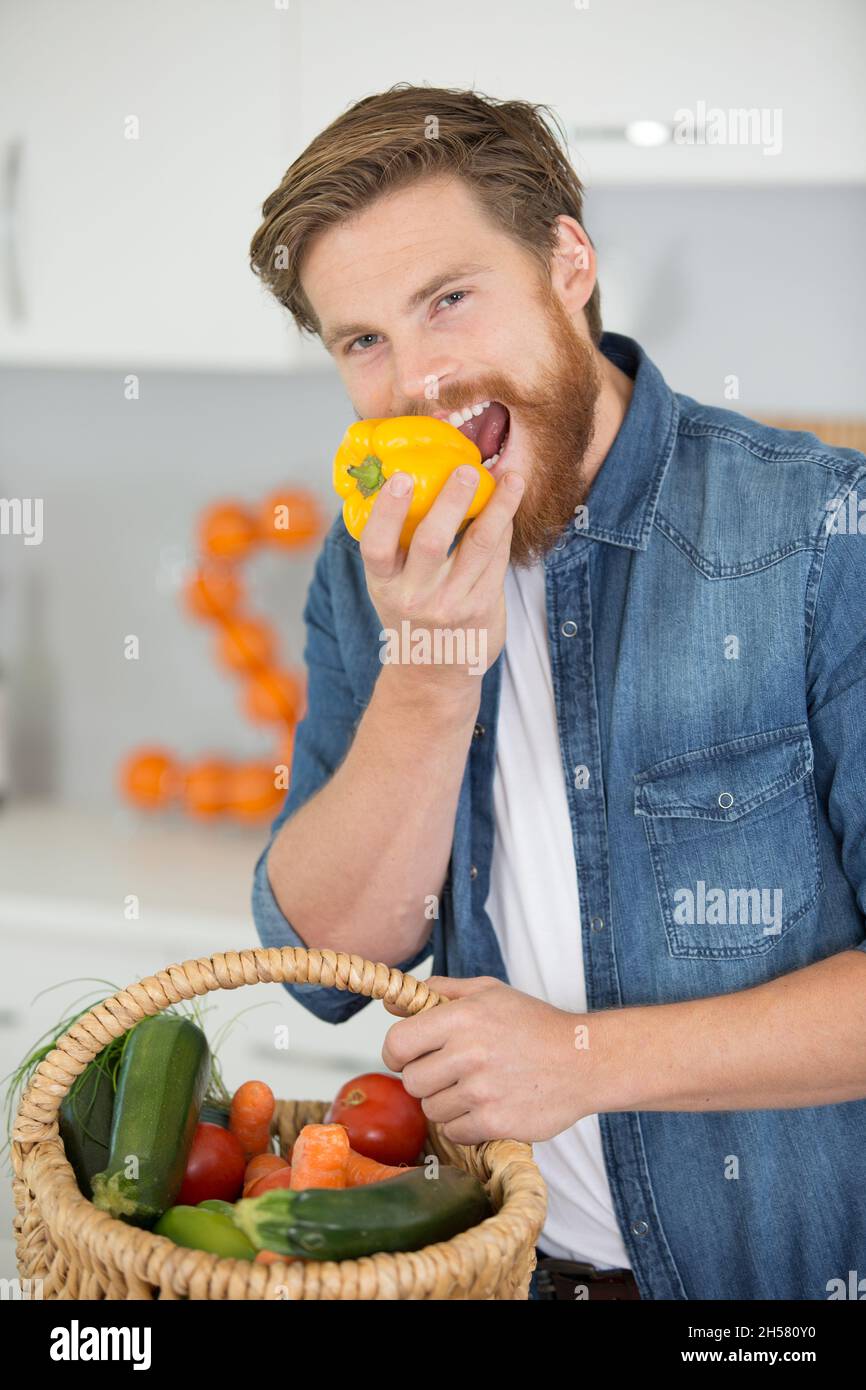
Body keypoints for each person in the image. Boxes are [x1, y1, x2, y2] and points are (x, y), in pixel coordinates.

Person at [247, 85, 866, 1301]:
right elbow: (323, 964)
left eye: (448, 300)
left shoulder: (816, 530)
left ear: (566, 264)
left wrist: (582, 1058)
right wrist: (427, 675)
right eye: (360, 340)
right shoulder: (365, 561)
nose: (416, 379)